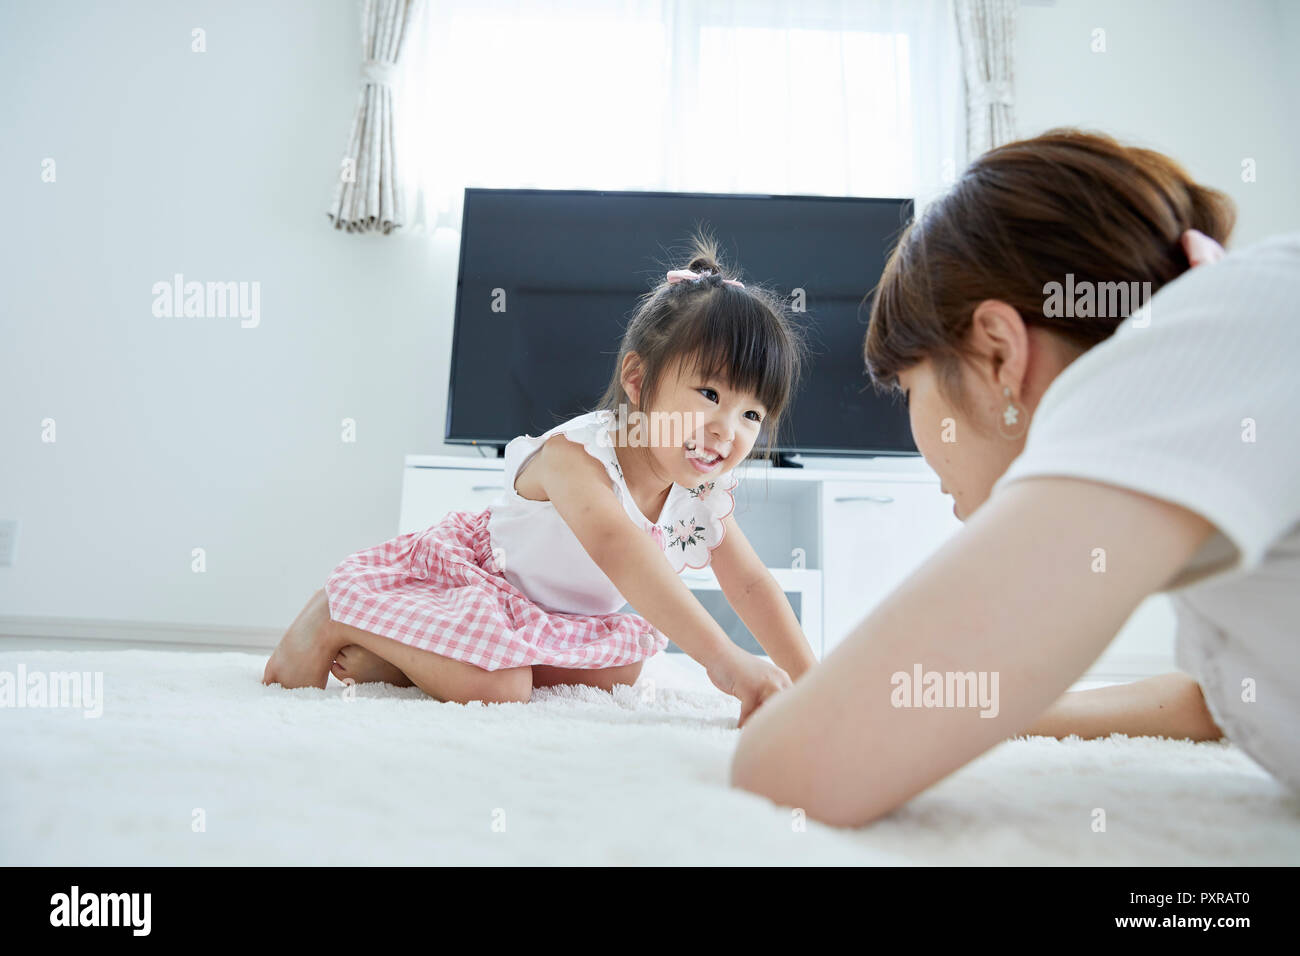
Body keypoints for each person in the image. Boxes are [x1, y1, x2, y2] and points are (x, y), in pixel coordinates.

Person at [731, 129, 1300, 824]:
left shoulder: (1198, 343)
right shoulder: (1237, 349)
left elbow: (793, 766)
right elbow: (1218, 700)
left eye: (909, 389)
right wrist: (998, 703)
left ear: (999, 353)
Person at [263, 233, 817, 724]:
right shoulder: (577, 456)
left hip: (554, 617)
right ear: (638, 378)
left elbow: (749, 584)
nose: (727, 431)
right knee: (498, 687)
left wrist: (813, 684)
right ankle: (339, 613)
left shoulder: (699, 491)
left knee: (623, 665)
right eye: (711, 395)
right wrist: (724, 661)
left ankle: (399, 662)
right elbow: (621, 552)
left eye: (752, 415)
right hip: (482, 585)